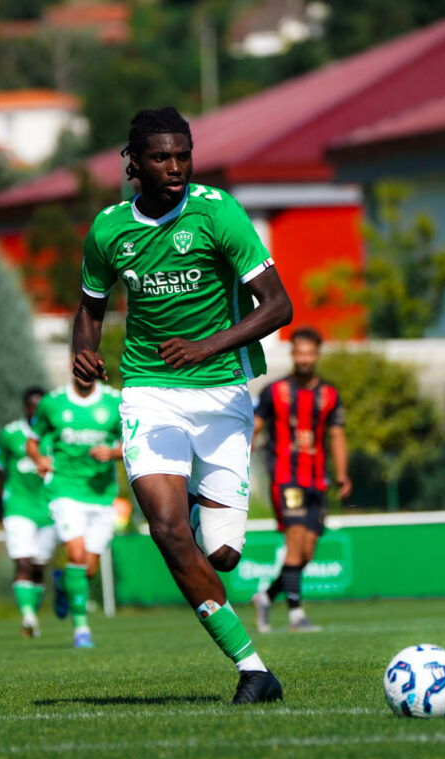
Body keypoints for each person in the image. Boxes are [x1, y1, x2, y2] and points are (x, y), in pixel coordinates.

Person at [70, 107, 293, 703]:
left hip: (223, 390)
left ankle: (201, 509)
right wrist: (83, 352)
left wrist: (205, 346)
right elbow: (91, 306)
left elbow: (277, 305)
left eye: (183, 155)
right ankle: (252, 669)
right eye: (162, 157)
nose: (175, 167)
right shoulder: (109, 229)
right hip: (149, 390)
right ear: (134, 163)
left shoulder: (218, 212)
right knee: (166, 531)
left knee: (219, 553)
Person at [251, 327, 351, 633]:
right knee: (294, 544)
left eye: (310, 353)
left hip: (317, 480)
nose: (305, 358)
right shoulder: (274, 391)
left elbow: (336, 435)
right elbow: (255, 425)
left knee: (306, 553)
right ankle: (296, 616)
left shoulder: (330, 394)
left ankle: (265, 597)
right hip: (285, 477)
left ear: (317, 355)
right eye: (299, 352)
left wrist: (343, 474)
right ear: (293, 354)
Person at [25, 374, 122, 648]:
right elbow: (31, 442)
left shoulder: (115, 402)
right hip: (64, 490)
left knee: (88, 569)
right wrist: (39, 458)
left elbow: (135, 441)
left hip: (101, 496)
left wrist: (114, 454)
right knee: (76, 556)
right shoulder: (52, 403)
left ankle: (63, 583)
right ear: (73, 364)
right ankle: (82, 630)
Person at [0, 386, 54, 639]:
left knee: (37, 566)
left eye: (40, 407)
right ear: (25, 407)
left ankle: (31, 615)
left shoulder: (54, 435)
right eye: (31, 407)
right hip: (17, 507)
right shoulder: (10, 434)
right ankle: (28, 616)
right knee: (22, 561)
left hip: (47, 509)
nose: (35, 412)